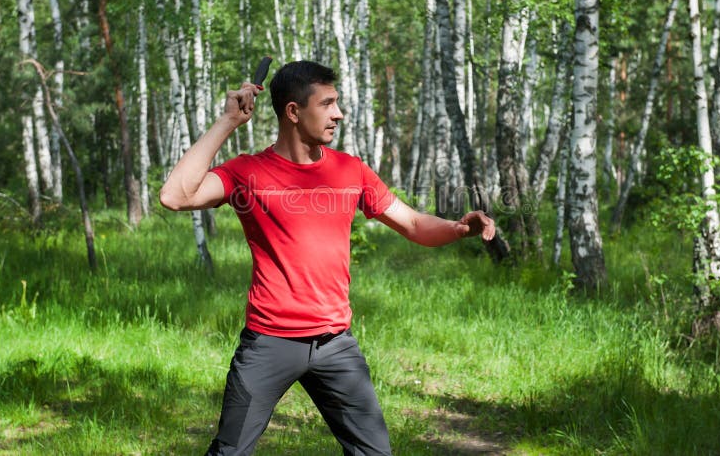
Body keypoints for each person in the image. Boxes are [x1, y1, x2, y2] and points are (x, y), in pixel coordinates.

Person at [160, 61, 495, 455]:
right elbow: (175, 196)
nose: (339, 113)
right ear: (293, 111)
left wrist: (459, 228)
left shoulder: (350, 170)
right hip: (269, 343)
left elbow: (414, 224)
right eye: (328, 103)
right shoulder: (248, 172)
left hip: (335, 345)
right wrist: (227, 121)